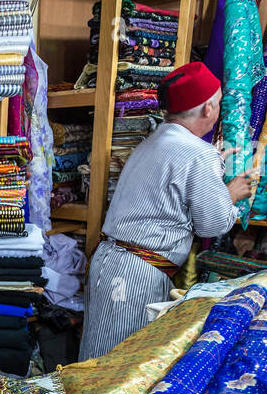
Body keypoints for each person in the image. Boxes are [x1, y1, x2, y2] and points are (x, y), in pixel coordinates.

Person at [78, 62, 252, 361]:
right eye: (219, 102)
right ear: (208, 109)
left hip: (112, 262)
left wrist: (211, 169)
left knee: (98, 357)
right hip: (136, 274)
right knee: (120, 366)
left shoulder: (154, 141)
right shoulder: (198, 153)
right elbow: (212, 224)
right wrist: (230, 193)